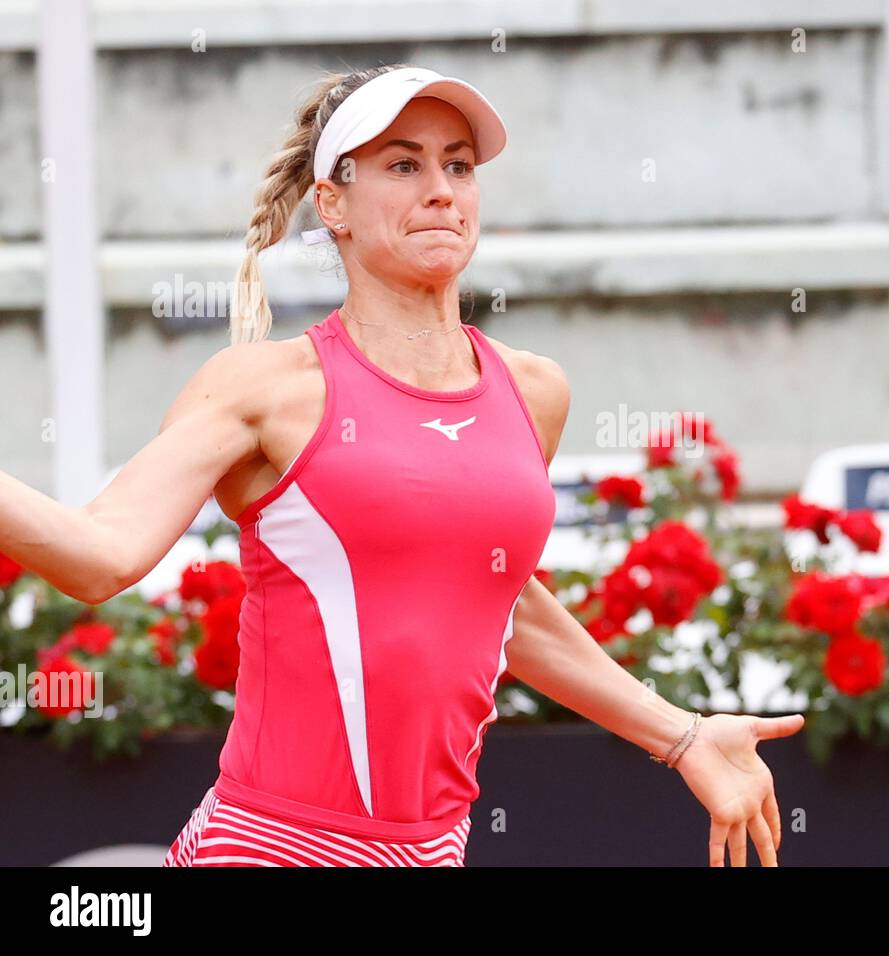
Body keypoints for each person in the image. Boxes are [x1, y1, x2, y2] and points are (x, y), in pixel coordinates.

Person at [0, 63, 804, 867]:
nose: (441, 190)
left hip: (435, 852)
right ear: (333, 204)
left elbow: (494, 598)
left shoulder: (534, 391)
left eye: (458, 164)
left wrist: (683, 735)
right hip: (268, 847)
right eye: (403, 165)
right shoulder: (262, 388)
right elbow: (98, 556)